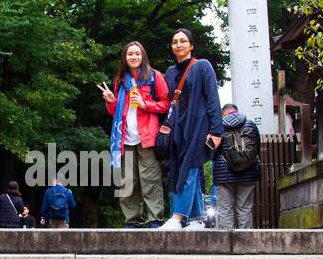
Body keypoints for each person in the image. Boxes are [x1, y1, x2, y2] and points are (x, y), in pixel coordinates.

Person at [99, 40, 170, 228]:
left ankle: (154, 219)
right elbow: (115, 112)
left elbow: (166, 104)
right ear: (125, 58)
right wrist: (111, 101)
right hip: (124, 139)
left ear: (143, 56)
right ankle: (132, 220)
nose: (134, 57)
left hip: (147, 137)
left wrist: (145, 104)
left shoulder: (155, 77)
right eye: (130, 54)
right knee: (127, 182)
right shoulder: (119, 82)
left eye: (137, 54)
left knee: (150, 181)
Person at [158, 27, 223, 231]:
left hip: (199, 127)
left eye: (183, 41)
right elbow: (165, 101)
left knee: (188, 168)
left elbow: (212, 98)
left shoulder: (202, 66)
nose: (179, 44)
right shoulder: (170, 72)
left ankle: (177, 217)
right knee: (183, 169)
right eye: (175, 41)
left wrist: (216, 130)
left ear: (191, 45)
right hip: (177, 128)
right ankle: (197, 219)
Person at [214, 103, 262, 230]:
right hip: (248, 173)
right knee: (245, 208)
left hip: (223, 173)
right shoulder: (251, 125)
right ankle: (245, 244)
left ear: (224, 113)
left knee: (225, 210)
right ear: (236, 112)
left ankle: (226, 244)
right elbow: (257, 149)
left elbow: (212, 151)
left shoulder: (218, 126)